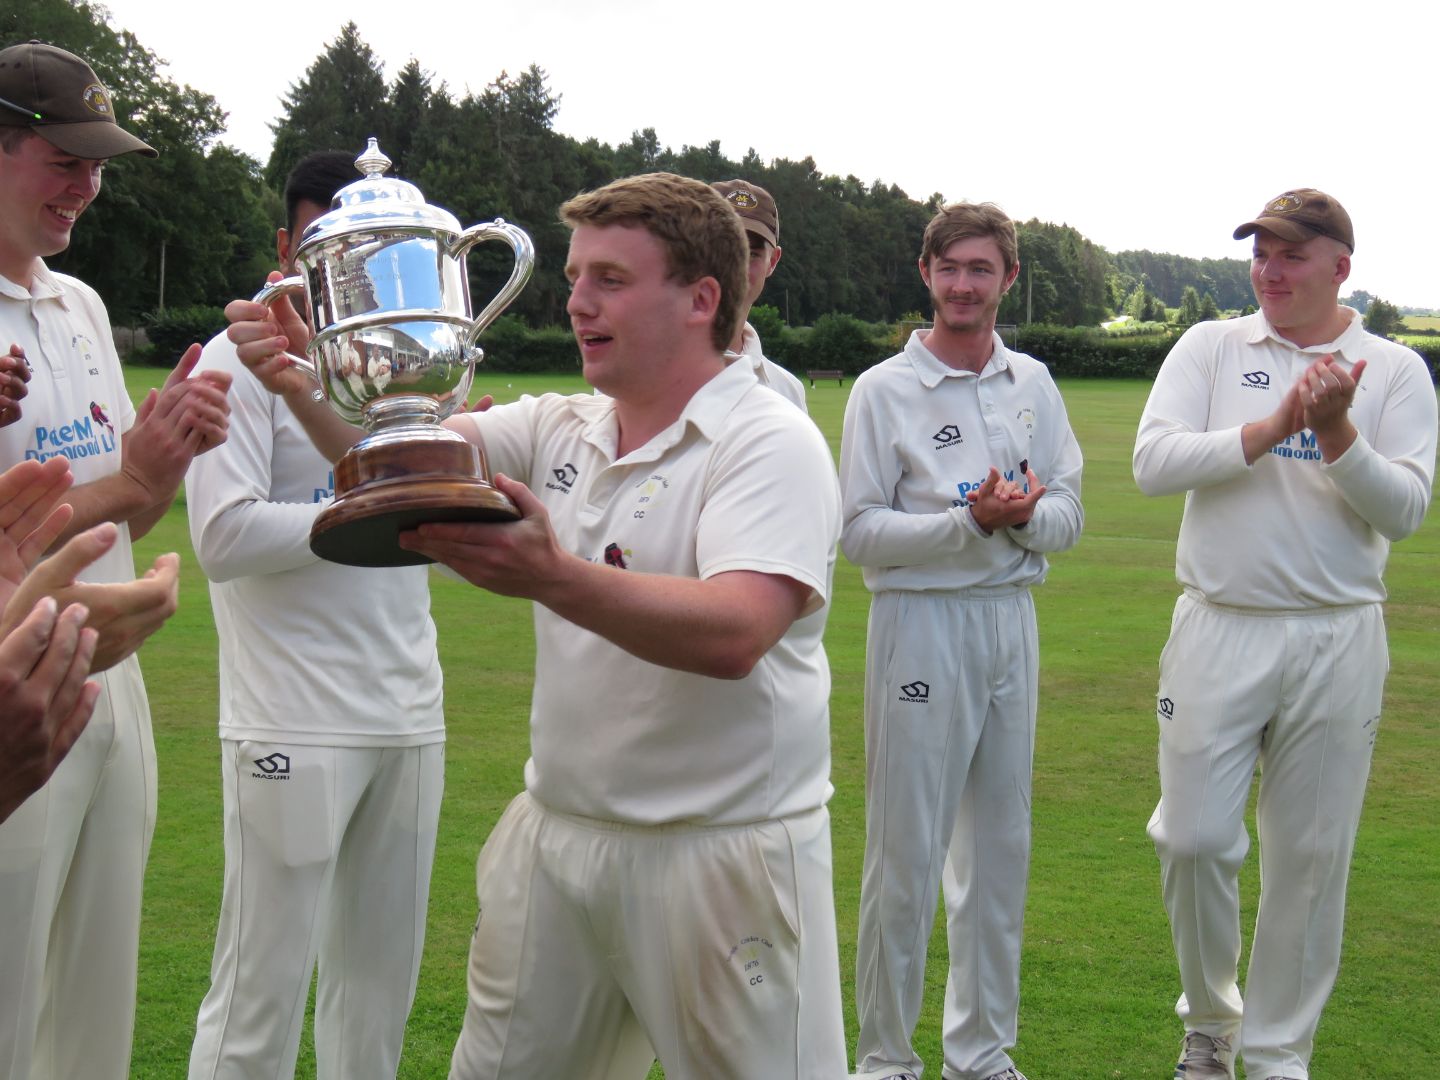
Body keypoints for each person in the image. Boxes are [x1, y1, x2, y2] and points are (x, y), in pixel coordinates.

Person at [225, 171, 847, 1079]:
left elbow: (737, 631)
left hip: (725, 856)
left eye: (611, 280)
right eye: (573, 277)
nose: (578, 303)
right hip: (559, 841)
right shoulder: (562, 424)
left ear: (701, 299)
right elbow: (393, 469)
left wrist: (556, 578)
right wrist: (297, 378)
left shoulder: (769, 439)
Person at [1135, 189, 1437, 1080]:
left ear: (1340, 265)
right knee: (1190, 839)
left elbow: (1407, 510)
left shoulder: (1393, 369)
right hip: (1218, 623)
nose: (1270, 268)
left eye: (1292, 253)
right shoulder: (1211, 347)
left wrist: (1337, 427)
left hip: (1337, 634)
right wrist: (1276, 426)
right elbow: (1154, 463)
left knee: (1309, 857)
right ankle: (1210, 1023)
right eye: (1260, 251)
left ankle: (1276, 1056)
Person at [184, 150, 445, 1079]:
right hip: (290, 715)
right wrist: (369, 509)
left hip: (410, 710)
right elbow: (222, 536)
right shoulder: (236, 355)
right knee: (257, 998)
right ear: (294, 244)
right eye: (335, 242)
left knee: (375, 1009)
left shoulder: (405, 359)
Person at [0, 41, 230, 1080]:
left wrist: (163, 457)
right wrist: (131, 480)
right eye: (65, 158)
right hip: (15, 686)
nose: (87, 186)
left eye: (99, 164)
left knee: (97, 996)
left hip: (115, 680)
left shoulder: (82, 305)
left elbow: (125, 503)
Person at [840, 202, 1084, 1080]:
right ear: (926, 274)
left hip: (1010, 624)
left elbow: (1068, 513)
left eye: (980, 269)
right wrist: (970, 524)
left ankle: (980, 1054)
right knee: (905, 852)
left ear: (1007, 279)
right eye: (948, 268)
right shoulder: (883, 390)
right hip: (920, 625)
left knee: (999, 853)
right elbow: (860, 532)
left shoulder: (1034, 384)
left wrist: (1016, 524)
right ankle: (884, 1060)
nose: (962, 286)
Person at [711, 178, 808, 411]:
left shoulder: (788, 392)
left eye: (751, 253)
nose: (735, 265)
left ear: (772, 261)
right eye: (722, 248)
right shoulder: (637, 381)